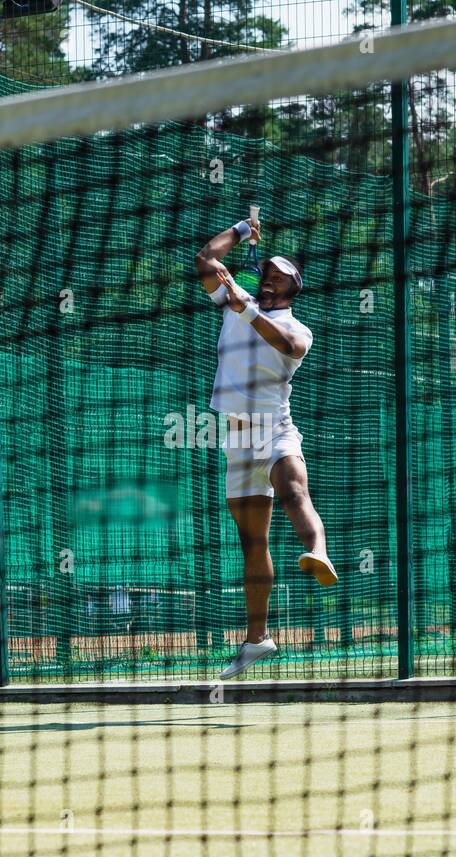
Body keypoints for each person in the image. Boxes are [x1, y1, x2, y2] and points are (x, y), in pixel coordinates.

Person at [194, 215, 337, 680]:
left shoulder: (295, 327)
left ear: (293, 291)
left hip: (275, 428)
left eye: (280, 278)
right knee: (252, 542)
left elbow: (288, 345)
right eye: (267, 275)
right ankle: (257, 639)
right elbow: (206, 260)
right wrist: (239, 232)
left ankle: (318, 551)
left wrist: (246, 308)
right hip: (238, 438)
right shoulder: (237, 303)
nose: (269, 280)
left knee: (294, 490)